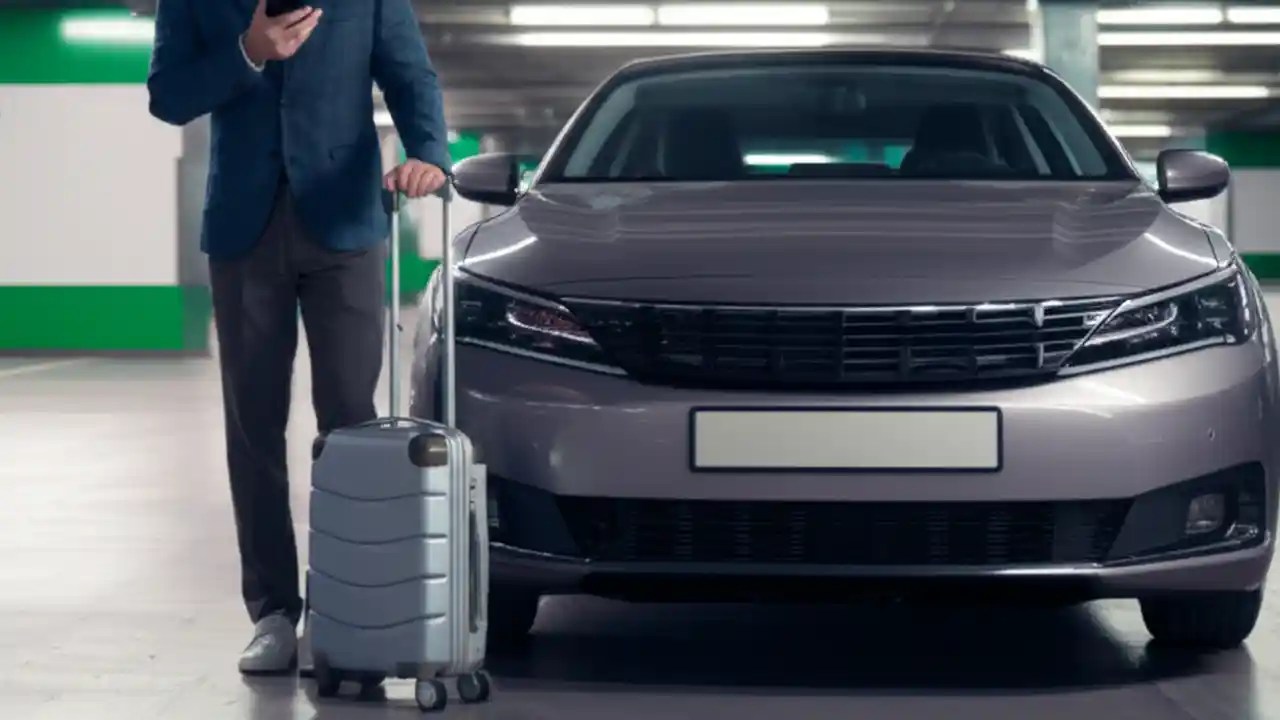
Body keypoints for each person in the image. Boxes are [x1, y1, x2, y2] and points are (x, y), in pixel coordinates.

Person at [147, 0, 451, 674]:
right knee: (253, 426)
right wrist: (249, 51)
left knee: (349, 423)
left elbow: (409, 75)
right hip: (242, 228)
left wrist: (429, 152)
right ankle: (274, 613)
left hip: (343, 224)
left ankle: (350, 609)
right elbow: (167, 96)